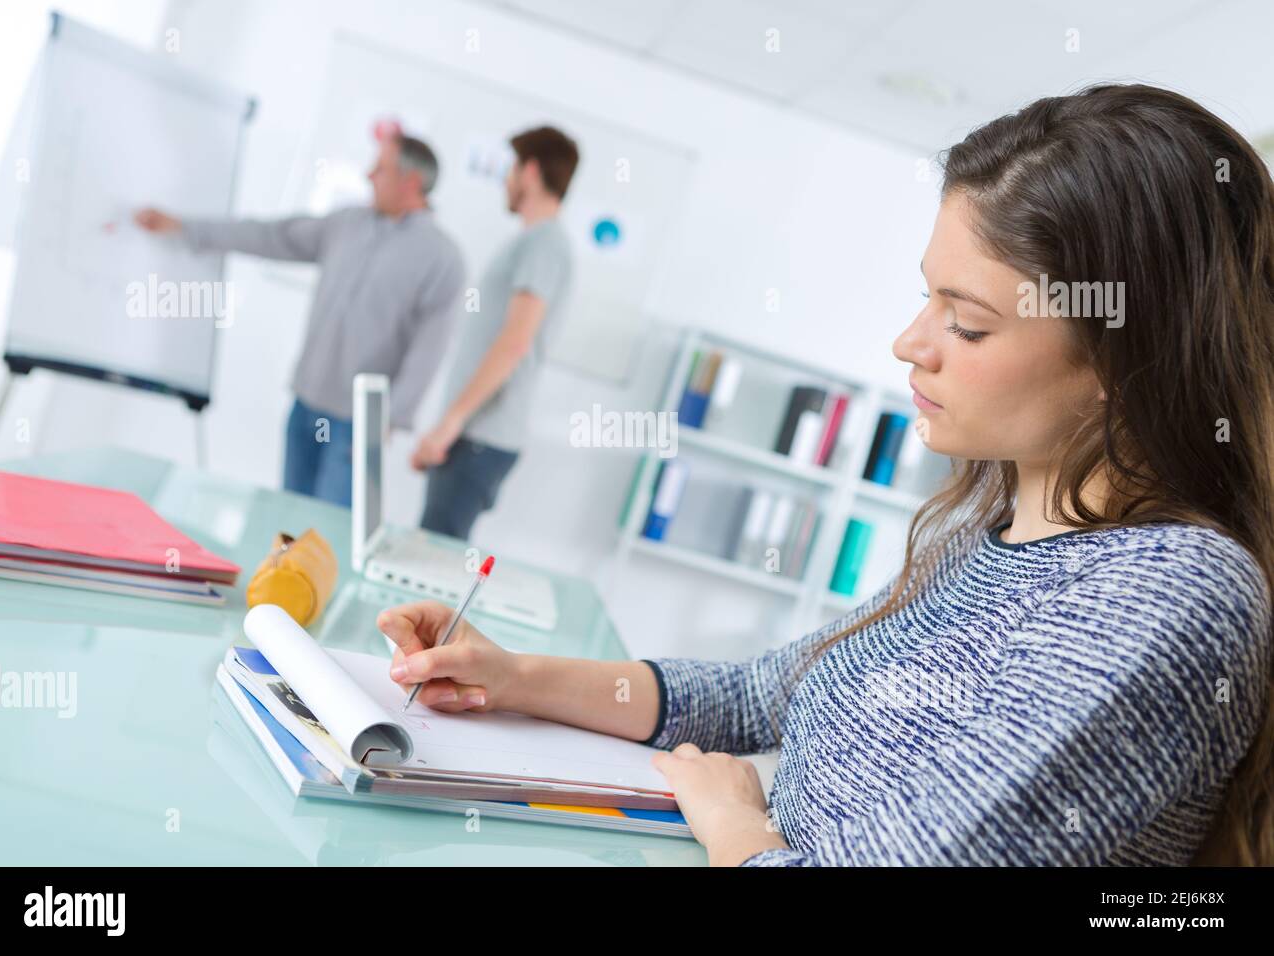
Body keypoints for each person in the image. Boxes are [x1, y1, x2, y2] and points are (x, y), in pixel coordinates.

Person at [375, 85, 1274, 866]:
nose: (911, 343)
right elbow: (761, 693)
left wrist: (735, 826)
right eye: (928, 295)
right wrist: (515, 676)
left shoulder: (1172, 594)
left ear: (1124, 351)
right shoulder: (992, 536)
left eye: (965, 321)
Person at [134, 126, 465, 506]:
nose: (369, 175)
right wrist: (185, 227)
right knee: (289, 518)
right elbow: (272, 236)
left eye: (381, 168)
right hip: (307, 405)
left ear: (412, 181)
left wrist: (385, 423)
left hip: (356, 425)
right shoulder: (347, 224)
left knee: (328, 531)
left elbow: (429, 351)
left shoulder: (442, 259)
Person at [411, 126, 578, 540]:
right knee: (436, 556)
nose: (505, 179)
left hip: (478, 438)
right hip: (476, 436)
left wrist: (449, 424)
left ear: (531, 171)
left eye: (511, 168)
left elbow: (515, 342)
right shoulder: (535, 242)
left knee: (436, 562)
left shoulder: (544, 244)